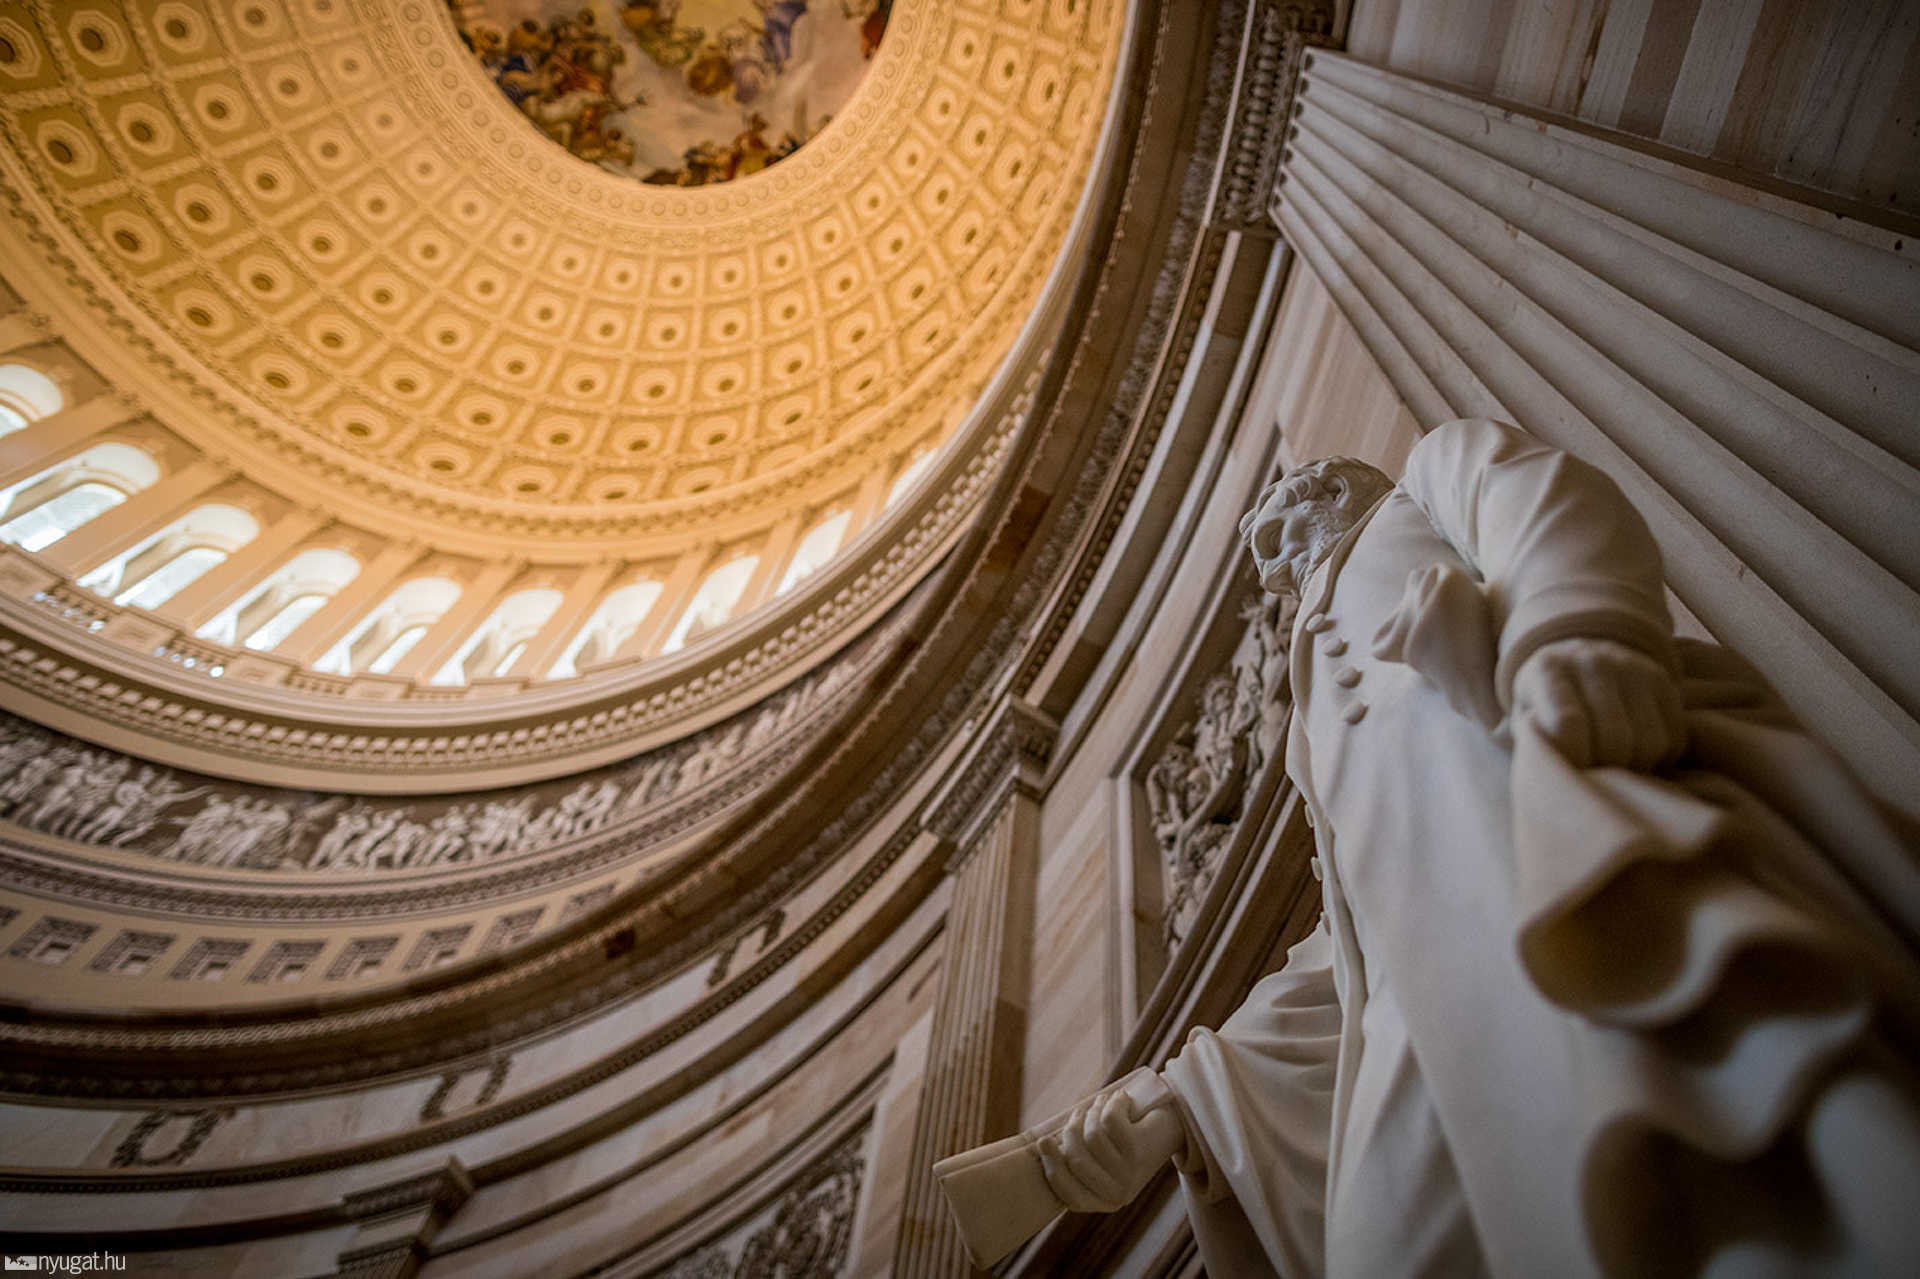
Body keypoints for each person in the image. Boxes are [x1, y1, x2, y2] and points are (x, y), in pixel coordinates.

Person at [942, 417, 1920, 1276]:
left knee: (1720, 1118)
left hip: (1543, 817)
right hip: (1415, 992)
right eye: (1268, 548)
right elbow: (1349, 937)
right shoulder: (1302, 732)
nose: (1274, 550)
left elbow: (1542, 497)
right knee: (1379, 1245)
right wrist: (1189, 1096)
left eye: (1283, 519)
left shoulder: (1425, 482)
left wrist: (1579, 632)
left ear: (1335, 487)